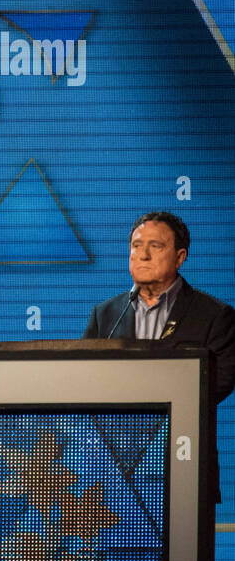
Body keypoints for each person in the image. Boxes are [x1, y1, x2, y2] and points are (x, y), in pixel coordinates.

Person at [84, 211, 235, 499]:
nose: (142, 255)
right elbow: (83, 379)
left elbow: (220, 381)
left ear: (180, 257)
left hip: (181, 461)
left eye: (156, 247)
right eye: (136, 246)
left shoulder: (214, 315)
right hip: (111, 474)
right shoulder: (106, 315)